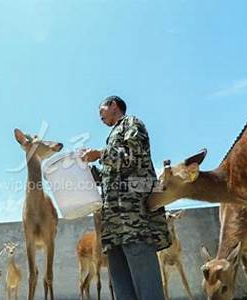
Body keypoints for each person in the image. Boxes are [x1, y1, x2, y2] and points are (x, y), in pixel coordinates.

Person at [81, 95, 171, 300]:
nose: (100, 117)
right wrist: (91, 172)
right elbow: (115, 173)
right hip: (114, 226)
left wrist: (100, 154)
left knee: (146, 285)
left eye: (101, 110)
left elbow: (132, 157)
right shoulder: (113, 135)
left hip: (135, 222)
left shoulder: (131, 124)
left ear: (113, 105)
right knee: (123, 288)